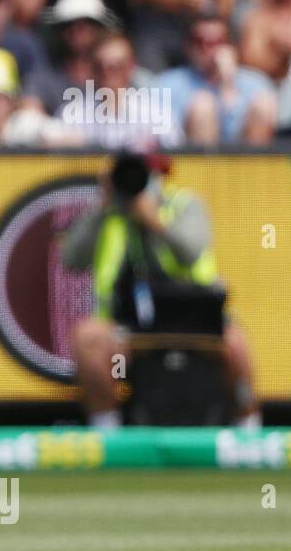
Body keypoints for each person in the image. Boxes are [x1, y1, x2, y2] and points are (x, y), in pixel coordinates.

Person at [61, 151, 259, 430]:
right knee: (88, 338)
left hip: (194, 321)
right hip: (128, 327)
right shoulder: (108, 214)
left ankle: (249, 429)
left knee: (236, 345)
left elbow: (191, 251)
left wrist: (154, 221)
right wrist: (101, 207)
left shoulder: (184, 205)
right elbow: (71, 259)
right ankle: (106, 432)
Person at [154, 14, 277, 145]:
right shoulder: (167, 84)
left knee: (263, 103)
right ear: (188, 46)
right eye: (199, 41)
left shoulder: (256, 83)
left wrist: (228, 85)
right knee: (203, 105)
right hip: (188, 162)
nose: (207, 49)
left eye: (215, 42)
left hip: (246, 162)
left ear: (230, 46)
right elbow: (164, 138)